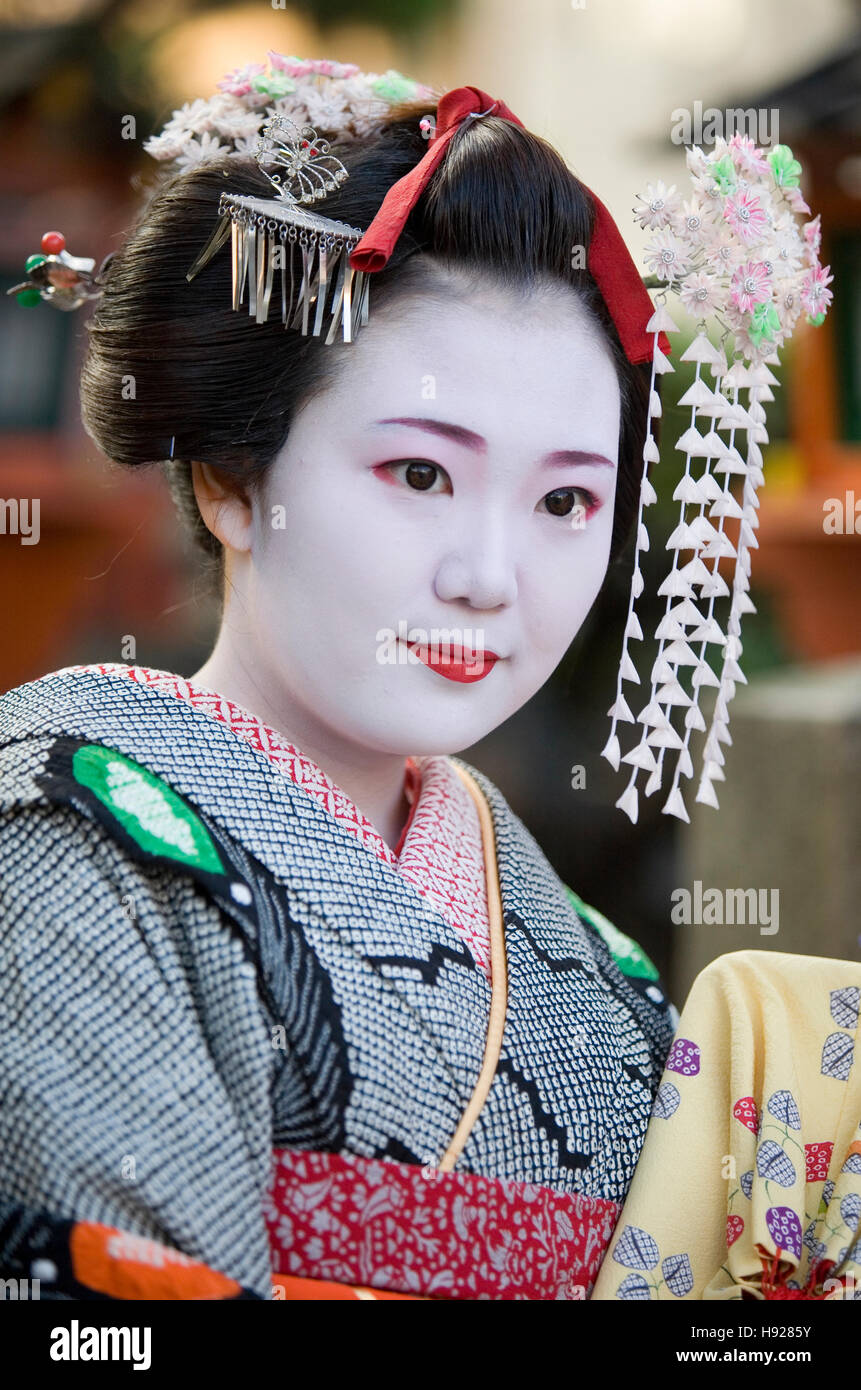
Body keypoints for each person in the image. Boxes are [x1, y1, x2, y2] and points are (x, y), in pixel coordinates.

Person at [0, 59, 678, 1301]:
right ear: (232, 478)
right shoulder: (60, 840)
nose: (490, 575)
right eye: (421, 474)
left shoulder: (598, 970)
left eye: (569, 499)